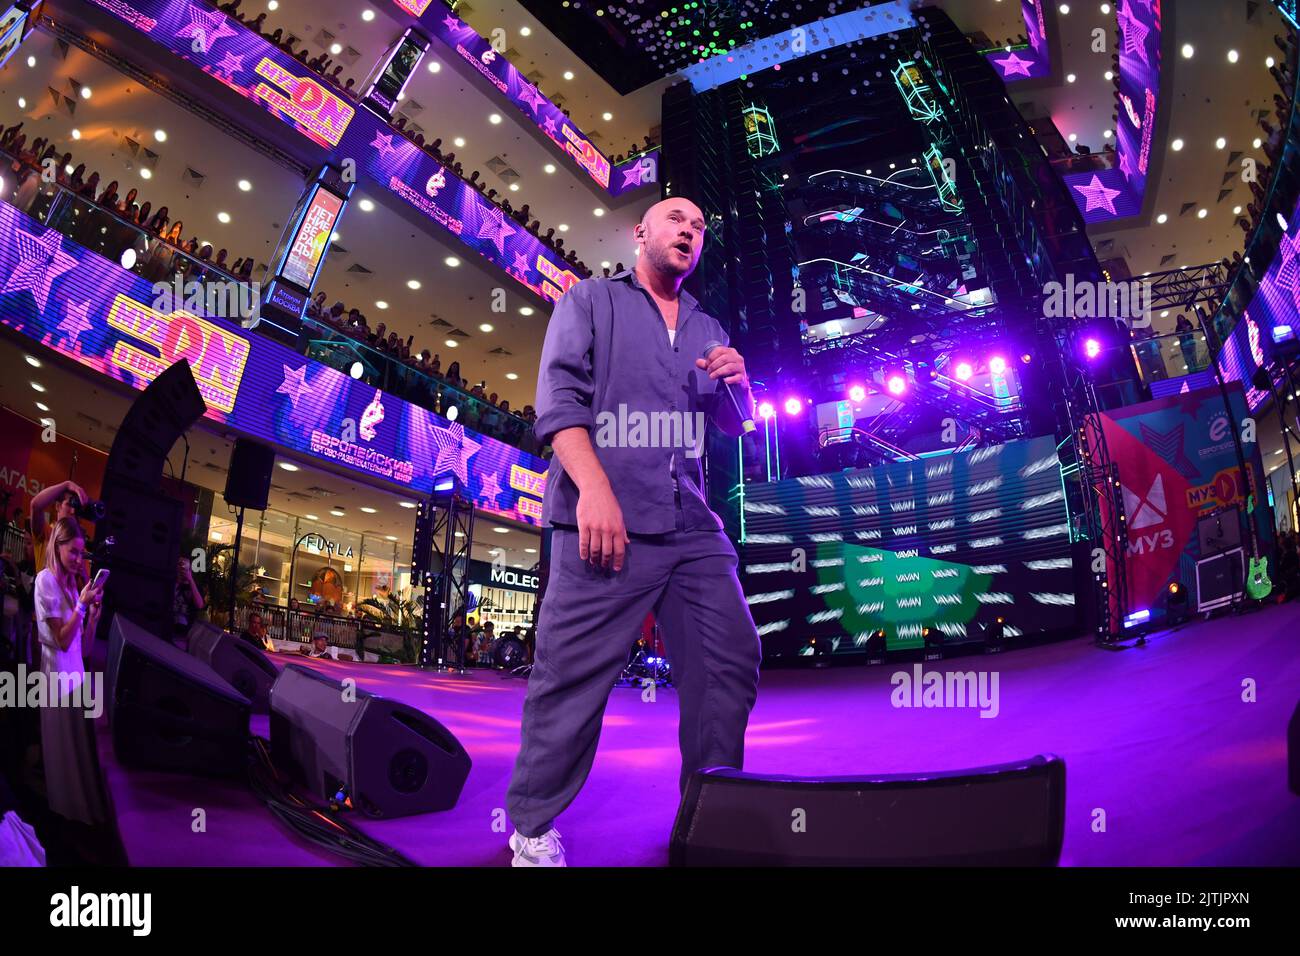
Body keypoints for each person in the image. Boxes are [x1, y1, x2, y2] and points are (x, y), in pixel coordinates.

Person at [505, 197, 760, 866]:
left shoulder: (708, 325)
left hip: (690, 525)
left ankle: (709, 816)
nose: (689, 231)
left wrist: (743, 386)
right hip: (605, 518)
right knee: (570, 678)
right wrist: (593, 488)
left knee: (730, 658)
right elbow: (559, 402)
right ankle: (530, 829)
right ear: (640, 232)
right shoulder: (589, 300)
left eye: (701, 226)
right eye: (676, 219)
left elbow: (735, 424)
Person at [34, 517, 107, 825]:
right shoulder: (45, 580)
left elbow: (84, 649)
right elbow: (62, 641)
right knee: (64, 765)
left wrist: (91, 617)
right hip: (57, 680)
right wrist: (80, 606)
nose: (79, 559)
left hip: (75, 679)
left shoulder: (71, 584)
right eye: (74, 552)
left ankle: (83, 825)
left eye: (82, 553)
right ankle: (66, 829)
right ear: (58, 546)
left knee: (79, 761)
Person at [29, 480, 87, 570]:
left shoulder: (79, 548)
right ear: (58, 506)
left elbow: (84, 582)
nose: (73, 511)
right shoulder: (47, 533)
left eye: (76, 507)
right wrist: (66, 485)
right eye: (69, 505)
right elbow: (36, 505)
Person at [172, 556, 205, 645]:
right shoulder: (172, 582)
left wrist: (190, 580)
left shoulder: (195, 587)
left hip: (184, 635)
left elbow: (200, 605)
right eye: (179, 565)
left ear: (190, 569)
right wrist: (178, 580)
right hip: (167, 627)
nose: (181, 568)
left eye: (184, 566)